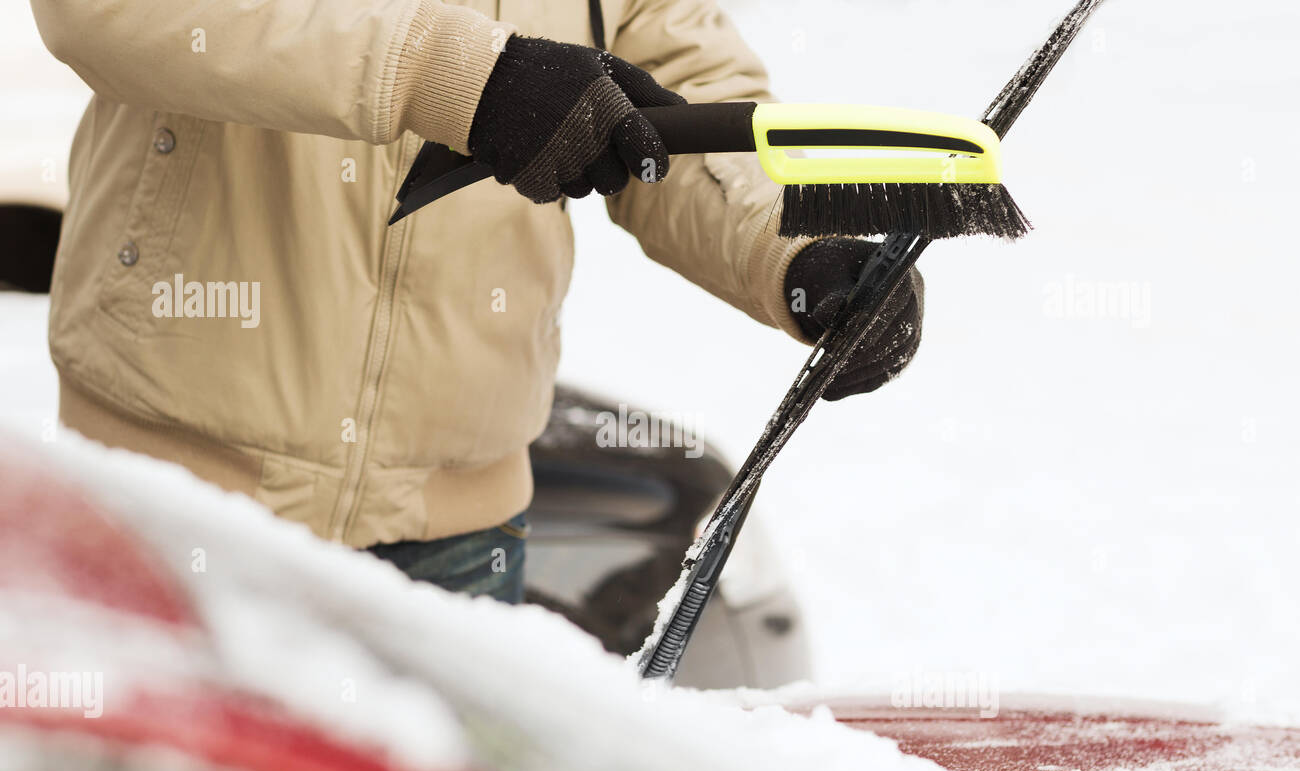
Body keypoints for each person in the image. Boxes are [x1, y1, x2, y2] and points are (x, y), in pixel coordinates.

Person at [31, 0, 922, 604]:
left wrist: (799, 241)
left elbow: (675, 87)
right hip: (170, 497)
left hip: (457, 532)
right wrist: (449, 73)